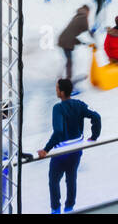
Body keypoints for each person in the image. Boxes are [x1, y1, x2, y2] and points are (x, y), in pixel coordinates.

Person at [36, 78, 102, 214]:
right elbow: (96, 117)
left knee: (54, 180)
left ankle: (55, 210)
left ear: (62, 92)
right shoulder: (79, 104)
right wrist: (94, 136)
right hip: (76, 149)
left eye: (57, 88)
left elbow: (59, 132)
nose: (55, 90)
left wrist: (46, 150)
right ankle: (69, 208)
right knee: (71, 178)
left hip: (62, 152)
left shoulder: (58, 108)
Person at [56, 5, 92, 85]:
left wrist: (83, 43)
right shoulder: (83, 18)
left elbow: (73, 33)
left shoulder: (78, 16)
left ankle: (62, 76)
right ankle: (68, 81)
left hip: (63, 39)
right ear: (87, 11)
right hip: (66, 42)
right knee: (69, 61)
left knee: (68, 60)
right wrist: (92, 40)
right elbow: (87, 32)